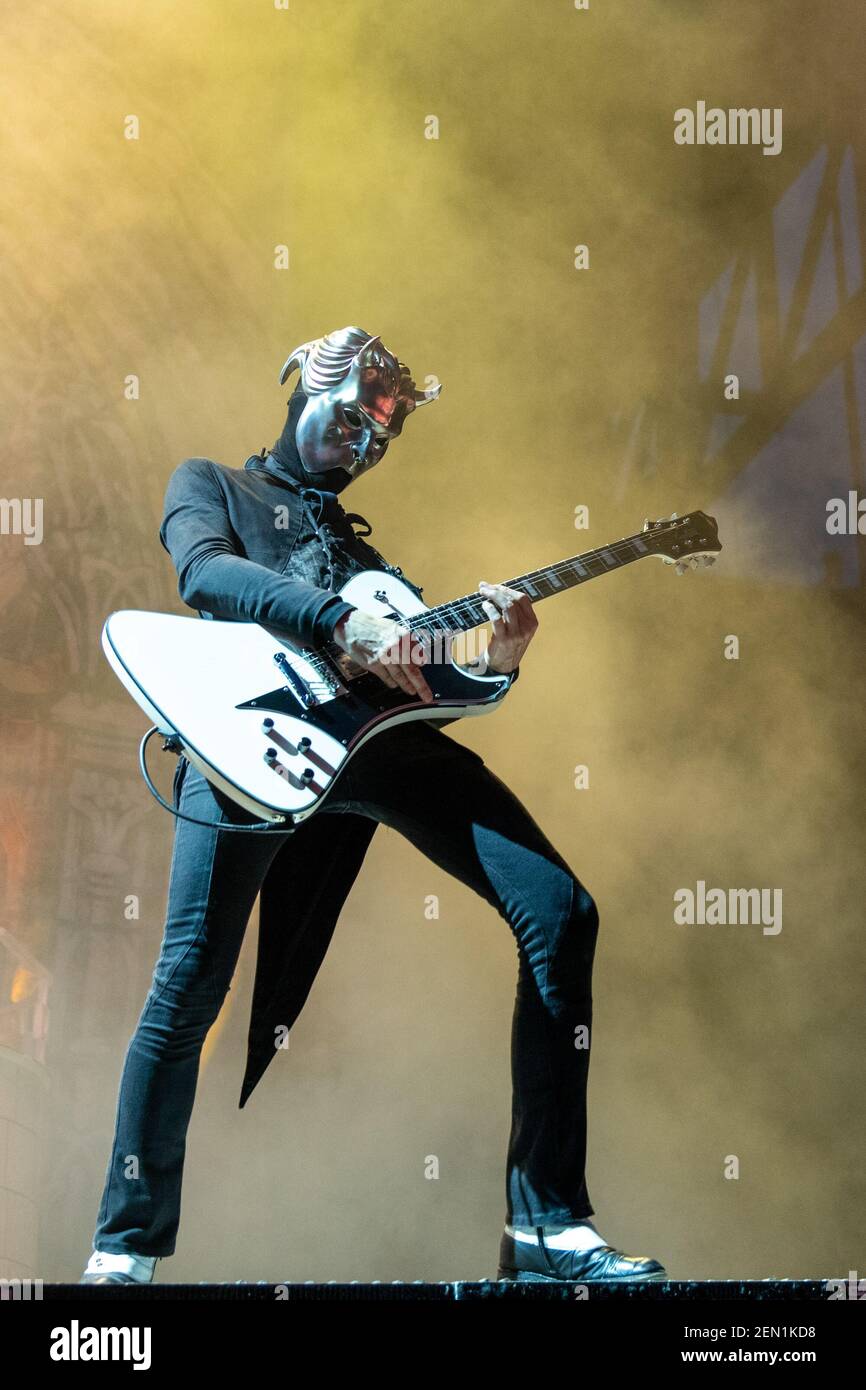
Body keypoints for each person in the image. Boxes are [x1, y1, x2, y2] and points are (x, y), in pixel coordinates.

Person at [81, 327, 666, 1285]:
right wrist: (340, 618)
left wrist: (497, 666)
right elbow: (204, 575)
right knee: (188, 985)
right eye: (350, 421)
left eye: (376, 440)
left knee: (563, 911)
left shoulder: (371, 559)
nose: (358, 447)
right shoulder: (212, 483)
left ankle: (546, 1222)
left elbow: (428, 688)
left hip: (373, 747)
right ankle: (124, 1249)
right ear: (302, 390)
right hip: (248, 738)